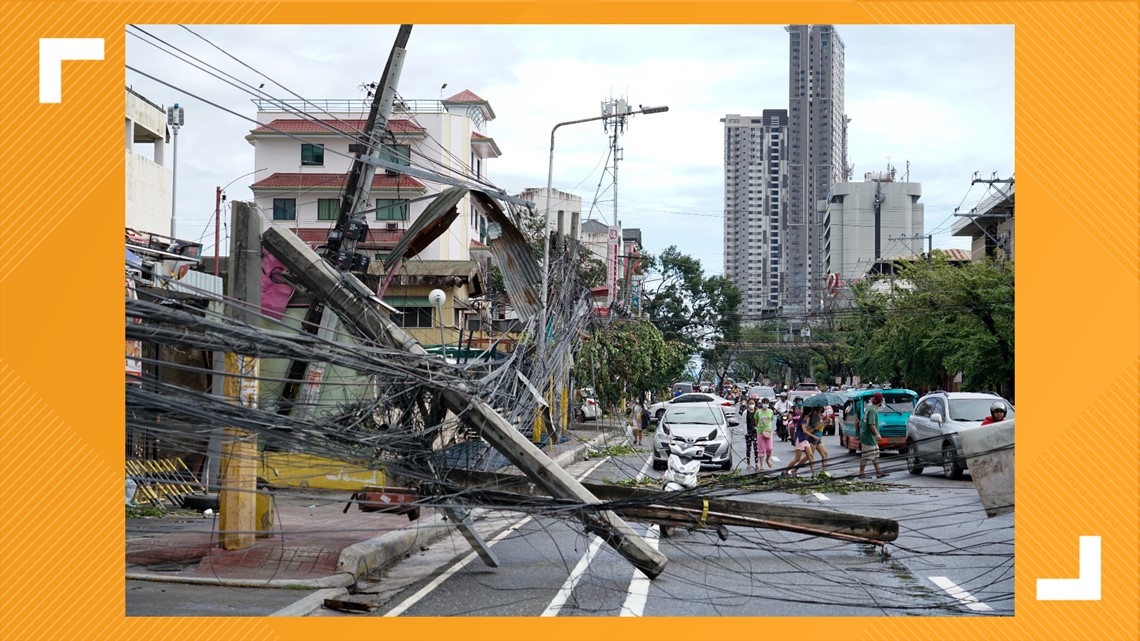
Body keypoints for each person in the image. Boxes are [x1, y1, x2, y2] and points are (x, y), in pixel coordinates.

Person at [858, 392, 889, 479]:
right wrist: (877, 434)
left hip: (870, 437)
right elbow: (871, 425)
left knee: (875, 454)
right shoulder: (873, 411)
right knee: (866, 456)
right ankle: (861, 473)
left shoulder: (869, 408)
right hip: (868, 437)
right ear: (881, 401)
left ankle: (878, 472)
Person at [784, 406, 816, 477]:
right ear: (809, 412)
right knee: (797, 458)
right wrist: (814, 436)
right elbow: (804, 431)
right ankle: (785, 471)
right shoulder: (802, 420)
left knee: (810, 456)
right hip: (800, 440)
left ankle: (814, 474)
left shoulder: (804, 419)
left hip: (805, 440)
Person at [757, 397, 776, 469]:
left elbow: (771, 420)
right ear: (761, 403)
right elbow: (756, 421)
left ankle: (767, 460)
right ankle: (761, 464)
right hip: (760, 432)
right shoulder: (758, 412)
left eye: (766, 403)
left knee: (769, 448)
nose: (765, 404)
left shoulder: (771, 411)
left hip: (768, 432)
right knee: (761, 449)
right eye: (764, 403)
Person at [742, 398, 759, 469]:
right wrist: (745, 432)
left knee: (756, 448)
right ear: (748, 404)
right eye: (750, 404)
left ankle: (756, 463)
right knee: (748, 448)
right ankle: (748, 463)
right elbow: (744, 422)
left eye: (753, 403)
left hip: (756, 432)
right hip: (748, 432)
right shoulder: (745, 412)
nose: (751, 405)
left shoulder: (757, 412)